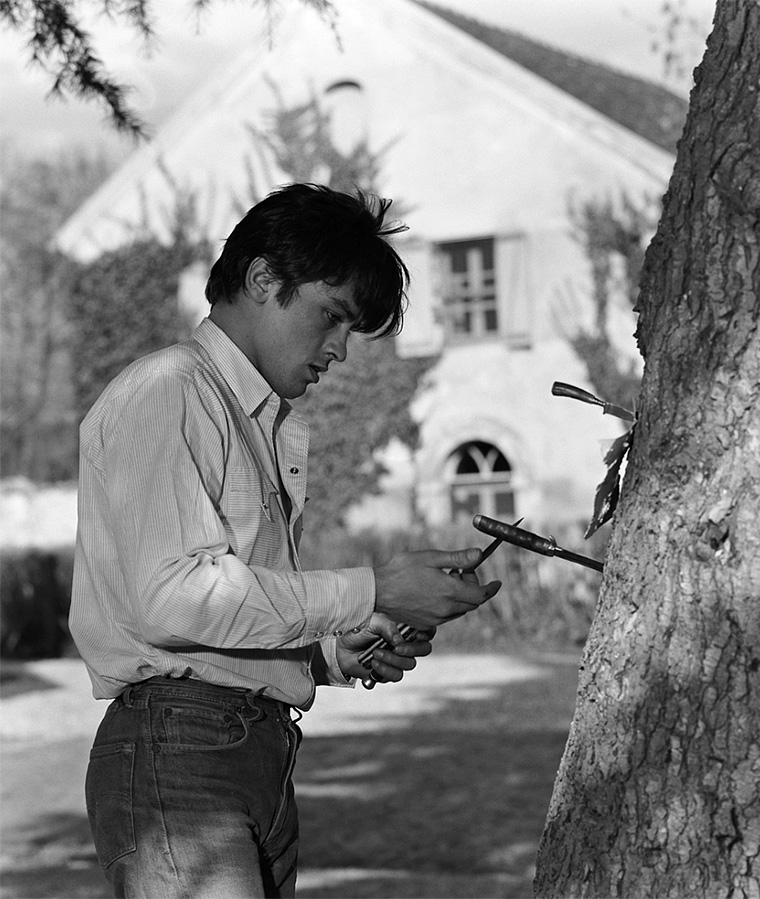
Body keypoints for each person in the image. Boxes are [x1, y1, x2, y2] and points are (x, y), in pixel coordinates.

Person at [69, 182, 502, 899]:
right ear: (263, 277)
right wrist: (375, 587)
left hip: (250, 755)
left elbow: (223, 605)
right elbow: (173, 598)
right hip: (179, 754)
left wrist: (331, 651)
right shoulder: (172, 390)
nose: (339, 351)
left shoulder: (255, 419)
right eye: (331, 317)